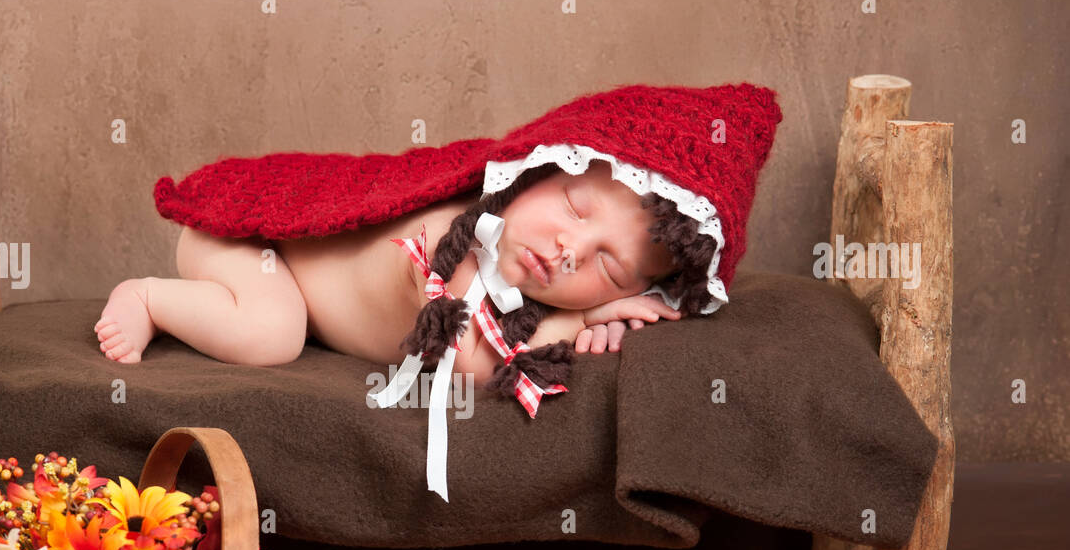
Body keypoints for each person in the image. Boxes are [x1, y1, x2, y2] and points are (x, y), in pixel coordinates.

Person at [93, 157, 716, 387]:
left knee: (287, 322)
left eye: (609, 268)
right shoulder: (456, 238)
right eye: (575, 207)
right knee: (273, 331)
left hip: (286, 268)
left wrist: (601, 316)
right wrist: (582, 312)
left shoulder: (532, 286)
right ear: (534, 172)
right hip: (245, 241)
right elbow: (476, 361)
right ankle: (149, 298)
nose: (569, 249)